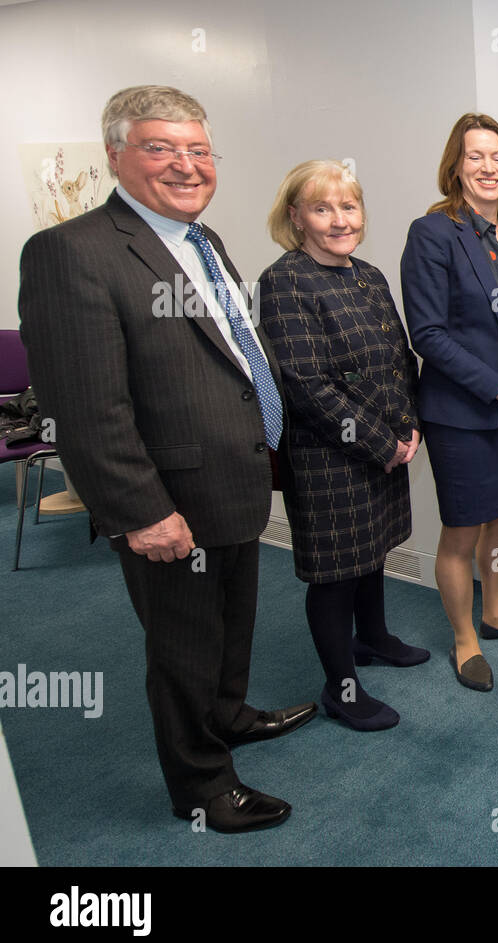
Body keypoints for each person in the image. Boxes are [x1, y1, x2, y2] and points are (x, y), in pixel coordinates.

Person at [18, 86, 315, 833]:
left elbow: (225, 356)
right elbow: (87, 408)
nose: (186, 165)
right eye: (161, 148)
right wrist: (141, 511)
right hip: (167, 498)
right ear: (115, 154)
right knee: (183, 647)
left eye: (199, 150)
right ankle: (203, 788)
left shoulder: (204, 241)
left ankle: (229, 714)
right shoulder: (70, 251)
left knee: (231, 623)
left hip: (234, 480)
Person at [258, 160, 427, 732]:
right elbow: (306, 384)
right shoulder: (284, 282)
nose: (338, 220)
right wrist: (383, 441)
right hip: (330, 457)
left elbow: (401, 359)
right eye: (322, 208)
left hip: (385, 447)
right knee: (335, 573)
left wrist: (410, 426)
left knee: (372, 549)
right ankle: (341, 689)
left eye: (348, 207)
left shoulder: (370, 275)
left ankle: (373, 638)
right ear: (296, 217)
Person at [400, 113, 498, 693]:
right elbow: (429, 333)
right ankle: (465, 639)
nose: (489, 167)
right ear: (456, 166)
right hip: (463, 412)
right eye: (476, 156)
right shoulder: (433, 232)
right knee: (463, 530)